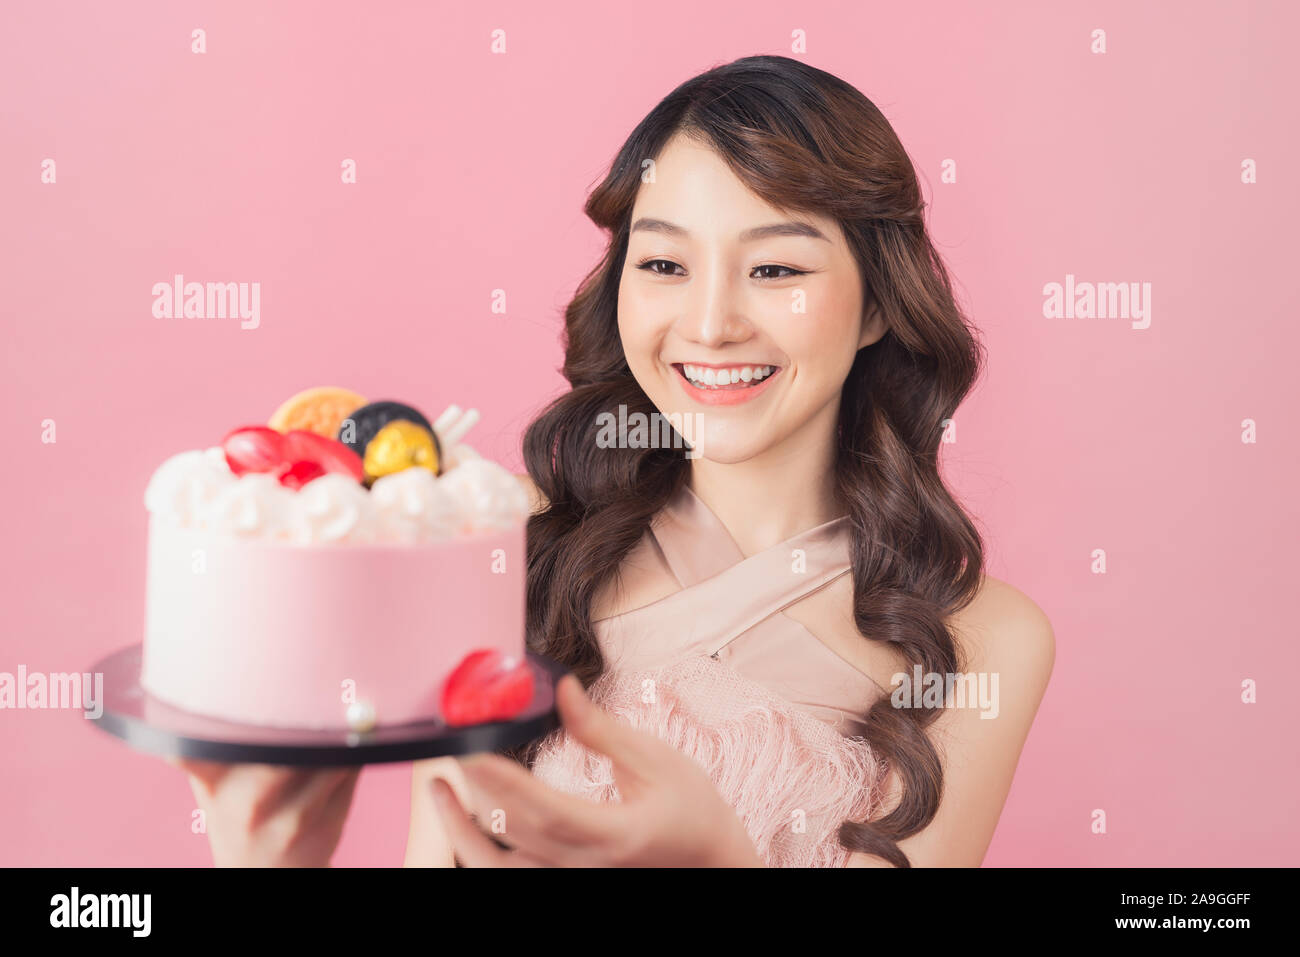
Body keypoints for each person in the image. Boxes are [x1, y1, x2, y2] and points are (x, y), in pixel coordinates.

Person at [179, 54, 1054, 868]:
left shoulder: (985, 642)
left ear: (875, 306)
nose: (710, 324)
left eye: (776, 267)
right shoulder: (507, 543)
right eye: (666, 262)